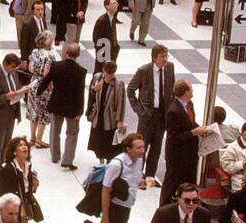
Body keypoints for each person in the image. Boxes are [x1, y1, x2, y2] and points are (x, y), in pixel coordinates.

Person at [36, 41, 88, 170]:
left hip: (56, 104)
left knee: (55, 131)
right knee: (72, 133)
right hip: (72, 107)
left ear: (65, 53)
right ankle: (67, 160)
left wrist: (38, 92)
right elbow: (80, 92)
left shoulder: (56, 66)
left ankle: (55, 156)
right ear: (78, 55)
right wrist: (80, 111)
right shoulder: (81, 71)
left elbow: (46, 80)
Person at [127, 44, 175, 179]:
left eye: (166, 56)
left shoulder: (170, 68)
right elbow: (130, 89)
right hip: (147, 114)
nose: (165, 59)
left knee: (157, 146)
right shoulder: (144, 71)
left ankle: (150, 175)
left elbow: (172, 89)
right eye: (162, 56)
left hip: (162, 114)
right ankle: (138, 175)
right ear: (154, 58)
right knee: (142, 146)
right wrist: (138, 110)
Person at [160, 80, 210, 205]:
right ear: (186, 92)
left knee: (190, 181)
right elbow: (173, 137)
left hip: (190, 153)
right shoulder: (173, 111)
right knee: (172, 184)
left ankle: (189, 203)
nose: (193, 91)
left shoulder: (189, 104)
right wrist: (194, 132)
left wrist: (201, 130)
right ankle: (163, 208)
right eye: (191, 89)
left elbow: (191, 123)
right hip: (177, 156)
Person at [86, 61, 126, 163]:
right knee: (98, 143)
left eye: (111, 74)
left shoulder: (118, 84)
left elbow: (121, 103)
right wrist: (94, 89)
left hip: (110, 119)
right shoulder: (97, 78)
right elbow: (91, 95)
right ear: (104, 71)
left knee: (109, 144)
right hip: (98, 116)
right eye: (107, 73)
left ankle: (109, 164)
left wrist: (120, 120)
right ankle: (101, 163)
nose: (109, 76)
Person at [24, 29, 57, 146]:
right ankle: (39, 140)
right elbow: (46, 73)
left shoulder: (34, 52)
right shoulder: (50, 55)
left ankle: (32, 138)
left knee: (33, 110)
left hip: (33, 83)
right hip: (44, 85)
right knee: (43, 112)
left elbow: (30, 68)